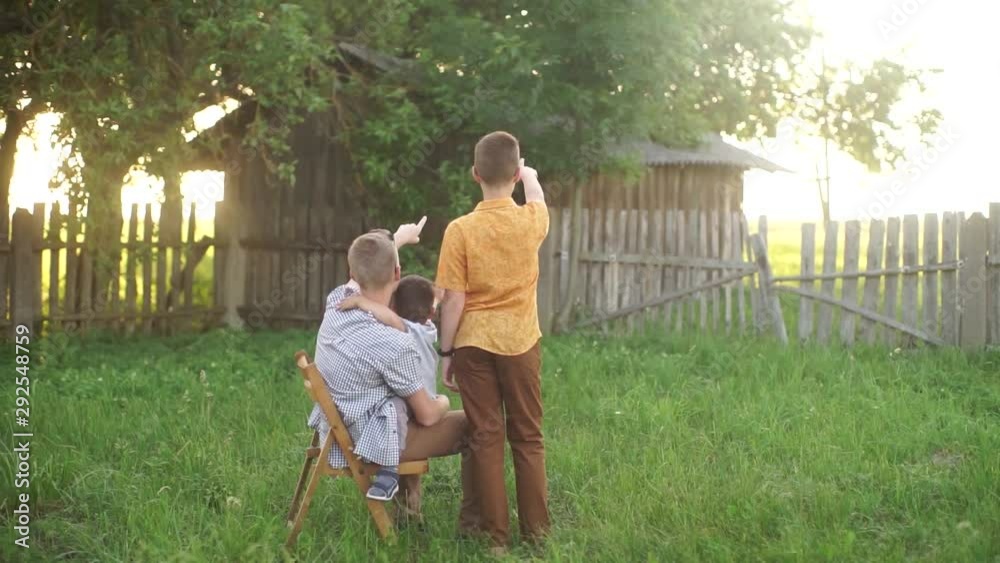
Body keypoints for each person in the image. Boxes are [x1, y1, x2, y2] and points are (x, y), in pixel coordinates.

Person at [307, 220, 478, 527]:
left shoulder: (336, 302)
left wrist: (396, 240)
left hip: (338, 430)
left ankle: (408, 513)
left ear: (352, 272)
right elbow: (428, 416)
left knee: (401, 402)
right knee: (478, 424)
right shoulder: (394, 343)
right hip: (372, 443)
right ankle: (477, 525)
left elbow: (367, 267)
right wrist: (442, 401)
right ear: (397, 274)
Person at [435, 131, 550, 551]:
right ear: (516, 174)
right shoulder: (531, 220)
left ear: (475, 174)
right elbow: (536, 196)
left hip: (473, 344)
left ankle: (495, 541)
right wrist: (529, 175)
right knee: (528, 437)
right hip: (521, 341)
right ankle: (537, 538)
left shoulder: (460, 230)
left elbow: (454, 300)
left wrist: (446, 352)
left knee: (485, 437)